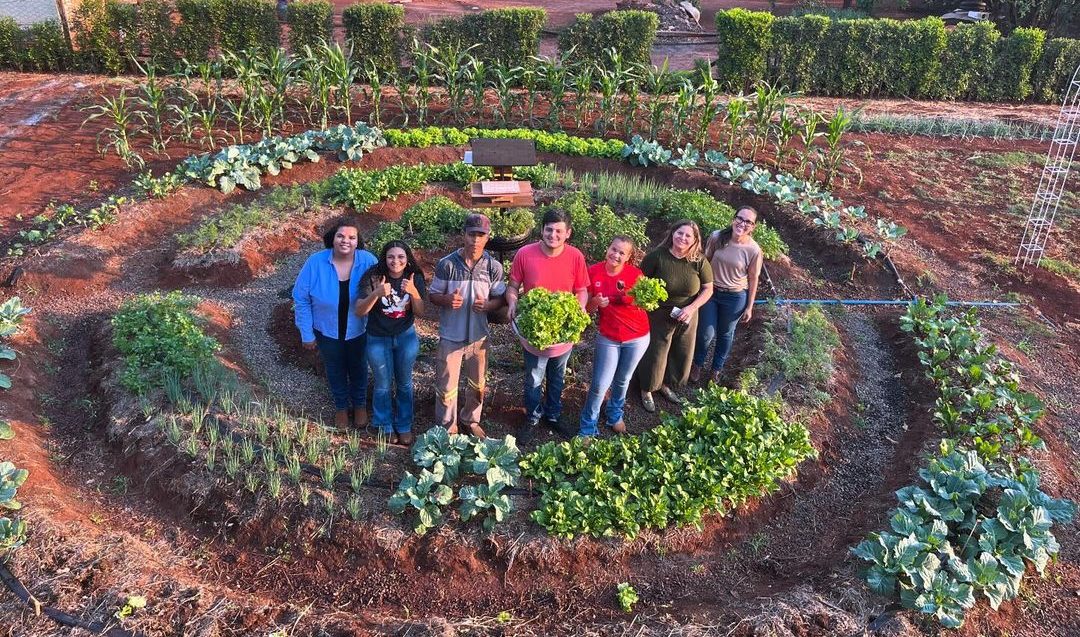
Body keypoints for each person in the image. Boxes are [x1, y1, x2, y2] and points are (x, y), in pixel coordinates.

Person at [505, 208, 589, 443]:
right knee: (533, 377)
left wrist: (580, 308)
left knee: (557, 375)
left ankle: (553, 415)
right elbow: (513, 286)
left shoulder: (575, 257)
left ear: (568, 233)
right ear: (542, 230)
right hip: (535, 330)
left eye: (559, 231)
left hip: (563, 329)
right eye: (549, 229)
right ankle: (532, 416)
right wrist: (512, 302)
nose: (553, 235)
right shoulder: (525, 254)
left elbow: (582, 290)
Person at [292, 217, 378, 429]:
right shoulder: (316, 262)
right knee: (335, 368)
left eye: (351, 237)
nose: (345, 241)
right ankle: (341, 406)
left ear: (358, 241)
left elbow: (380, 291)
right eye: (340, 236)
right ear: (333, 238)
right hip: (326, 329)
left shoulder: (368, 261)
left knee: (358, 367)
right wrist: (307, 333)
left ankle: (359, 405)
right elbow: (301, 297)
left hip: (359, 328)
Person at [428, 214, 506, 438]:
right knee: (446, 385)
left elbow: (500, 298)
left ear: (487, 238)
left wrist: (489, 305)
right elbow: (433, 295)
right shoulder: (447, 264)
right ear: (464, 235)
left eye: (480, 235)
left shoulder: (493, 267)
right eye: (471, 234)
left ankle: (470, 420)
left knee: (477, 383)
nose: (475, 239)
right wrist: (446, 300)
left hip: (479, 336)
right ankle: (447, 427)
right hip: (450, 335)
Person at [636, 220, 713, 412]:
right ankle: (647, 389)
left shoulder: (699, 261)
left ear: (695, 240)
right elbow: (639, 282)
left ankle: (666, 385)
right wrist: (647, 302)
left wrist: (692, 308)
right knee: (656, 352)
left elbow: (708, 289)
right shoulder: (657, 257)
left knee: (681, 351)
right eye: (680, 233)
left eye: (688, 235)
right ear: (672, 233)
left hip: (687, 314)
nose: (683, 238)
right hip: (659, 313)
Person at [355, 241, 427, 445]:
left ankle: (403, 425)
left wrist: (413, 292)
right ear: (385, 258)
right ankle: (383, 424)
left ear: (407, 258)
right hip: (377, 337)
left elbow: (421, 312)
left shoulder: (414, 277)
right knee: (383, 384)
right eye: (391, 257)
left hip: (405, 337)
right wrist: (376, 294)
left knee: (404, 383)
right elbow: (359, 310)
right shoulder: (373, 276)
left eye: (401, 257)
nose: (396, 261)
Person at [578, 236, 651, 437]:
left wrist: (629, 296)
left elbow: (646, 302)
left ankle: (614, 414)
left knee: (622, 380)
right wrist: (595, 302)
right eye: (614, 249)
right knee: (600, 384)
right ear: (607, 249)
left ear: (628, 257)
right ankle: (587, 427)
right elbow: (587, 309)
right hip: (609, 337)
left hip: (638, 337)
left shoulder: (635, 274)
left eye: (622, 253)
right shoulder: (593, 272)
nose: (616, 255)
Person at [692, 206, 763, 385]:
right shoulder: (717, 237)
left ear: (753, 227)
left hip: (735, 297)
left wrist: (749, 306)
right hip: (711, 293)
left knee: (725, 334)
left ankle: (716, 369)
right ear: (734, 219)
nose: (743, 223)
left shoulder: (754, 250)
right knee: (705, 334)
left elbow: (753, 279)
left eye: (748, 222)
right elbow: (704, 262)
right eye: (740, 218)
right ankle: (697, 364)